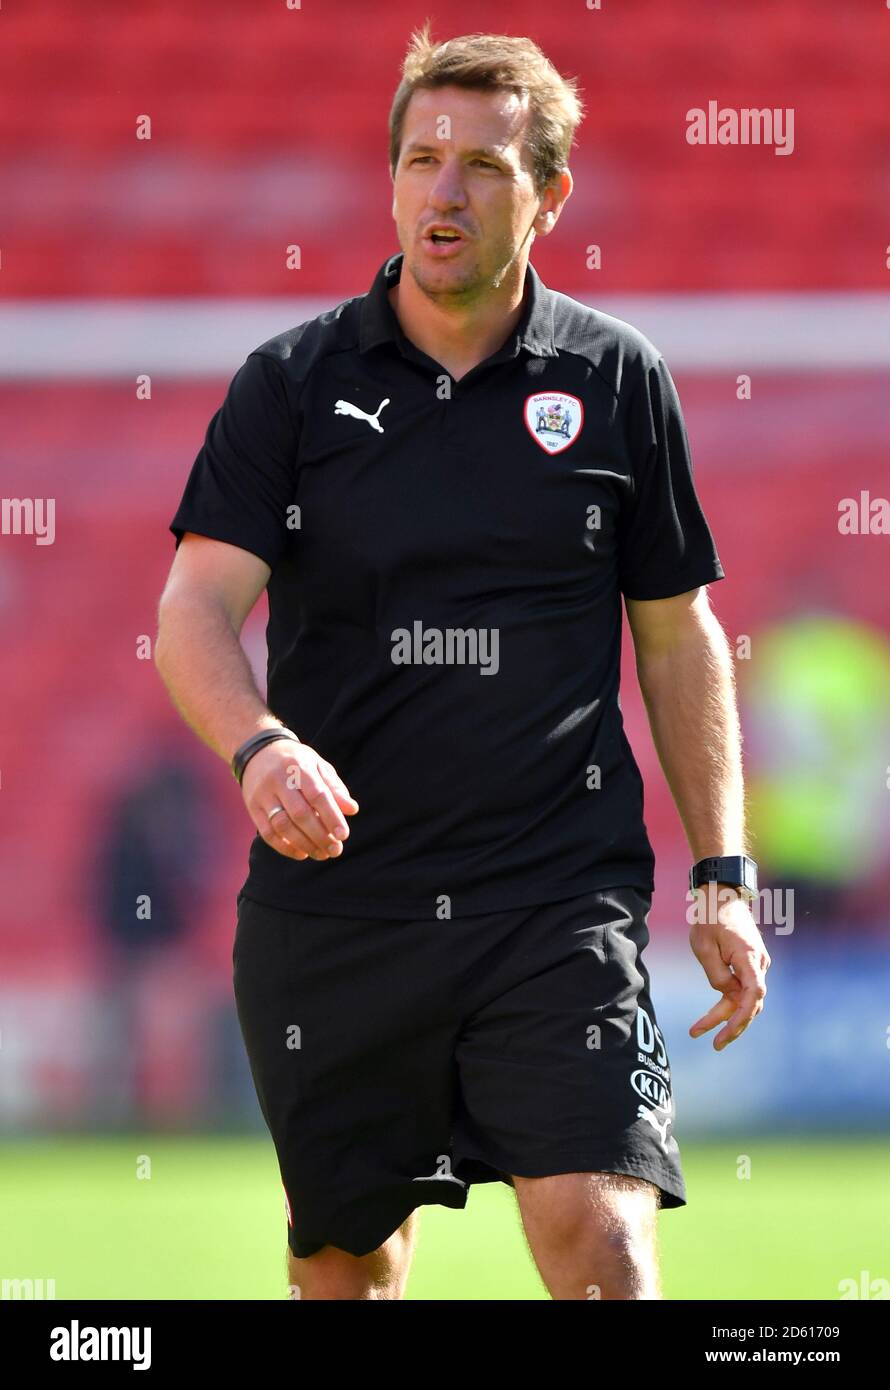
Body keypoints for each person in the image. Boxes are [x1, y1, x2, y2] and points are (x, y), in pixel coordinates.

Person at [156, 26, 770, 1300]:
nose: (445, 191)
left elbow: (676, 632)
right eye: (422, 158)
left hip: (553, 903)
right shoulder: (287, 384)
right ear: (390, 181)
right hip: (339, 911)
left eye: (484, 166)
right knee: (348, 1279)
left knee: (605, 1252)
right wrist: (258, 746)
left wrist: (719, 868)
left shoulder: (615, 380)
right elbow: (193, 611)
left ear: (549, 196)